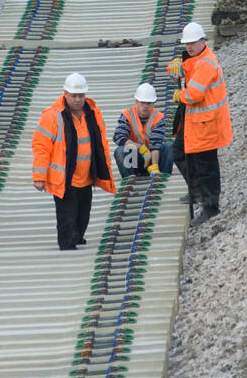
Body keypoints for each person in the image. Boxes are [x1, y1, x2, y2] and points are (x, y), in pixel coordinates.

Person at [31, 72, 116, 250]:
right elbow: (41, 146)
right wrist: (39, 176)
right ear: (65, 94)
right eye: (74, 95)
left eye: (81, 95)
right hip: (64, 177)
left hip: (86, 175)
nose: (78, 99)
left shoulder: (92, 112)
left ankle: (77, 237)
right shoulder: (52, 116)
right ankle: (67, 243)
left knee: (83, 215)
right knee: (67, 216)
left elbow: (101, 141)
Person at [167, 20, 233, 224]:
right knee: (180, 153)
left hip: (206, 125)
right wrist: (175, 67)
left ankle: (210, 207)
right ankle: (197, 194)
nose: (189, 46)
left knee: (206, 166)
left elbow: (194, 94)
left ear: (203, 41)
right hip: (195, 122)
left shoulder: (205, 64)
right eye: (187, 43)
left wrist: (179, 95)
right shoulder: (196, 57)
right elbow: (185, 68)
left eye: (193, 43)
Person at [112, 83, 166, 181]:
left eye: (149, 103)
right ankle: (129, 177)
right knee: (120, 151)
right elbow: (119, 137)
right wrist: (140, 147)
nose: (145, 106)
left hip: (153, 158)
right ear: (136, 102)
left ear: (153, 103)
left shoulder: (158, 117)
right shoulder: (127, 115)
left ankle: (161, 176)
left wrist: (154, 165)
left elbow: (156, 144)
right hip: (135, 160)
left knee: (168, 147)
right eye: (142, 102)